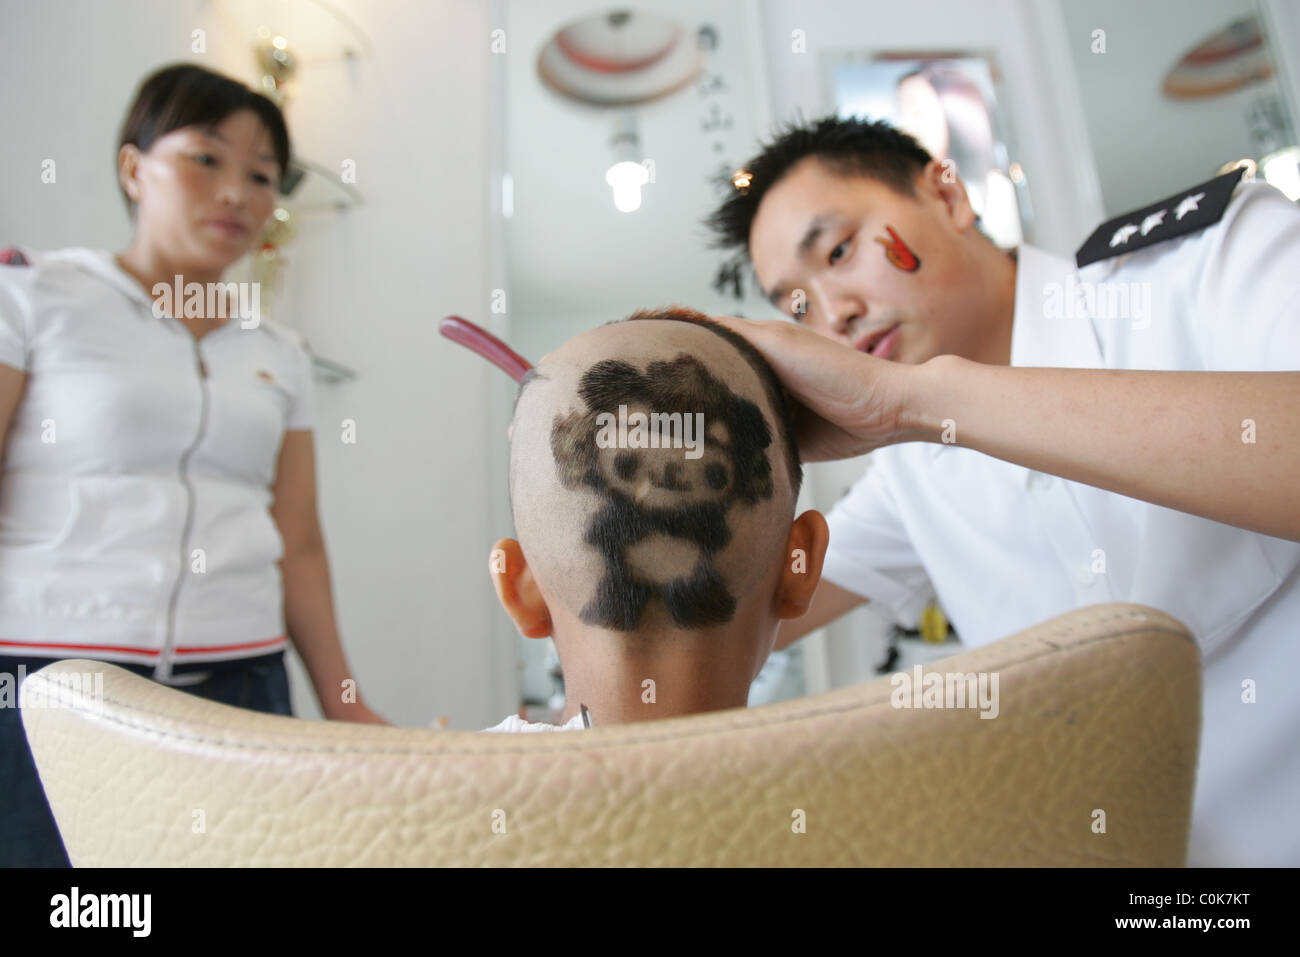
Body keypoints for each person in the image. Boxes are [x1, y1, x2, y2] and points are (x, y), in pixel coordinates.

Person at [702, 115, 1300, 866]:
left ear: (948, 196)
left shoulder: (1205, 262)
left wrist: (918, 401)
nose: (833, 313)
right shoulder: (911, 475)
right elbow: (725, 621)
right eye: (795, 304)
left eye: (841, 250)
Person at [0, 63, 384, 868]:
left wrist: (344, 700)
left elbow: (299, 541)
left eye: (262, 175)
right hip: (51, 684)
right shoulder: (32, 293)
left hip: (241, 685)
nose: (236, 193)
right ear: (134, 168)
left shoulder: (279, 350)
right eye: (205, 158)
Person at [481, 308, 828, 731]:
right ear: (801, 563)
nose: (664, 480)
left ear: (518, 588)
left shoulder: (434, 769)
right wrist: (893, 401)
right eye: (630, 464)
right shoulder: (876, 765)